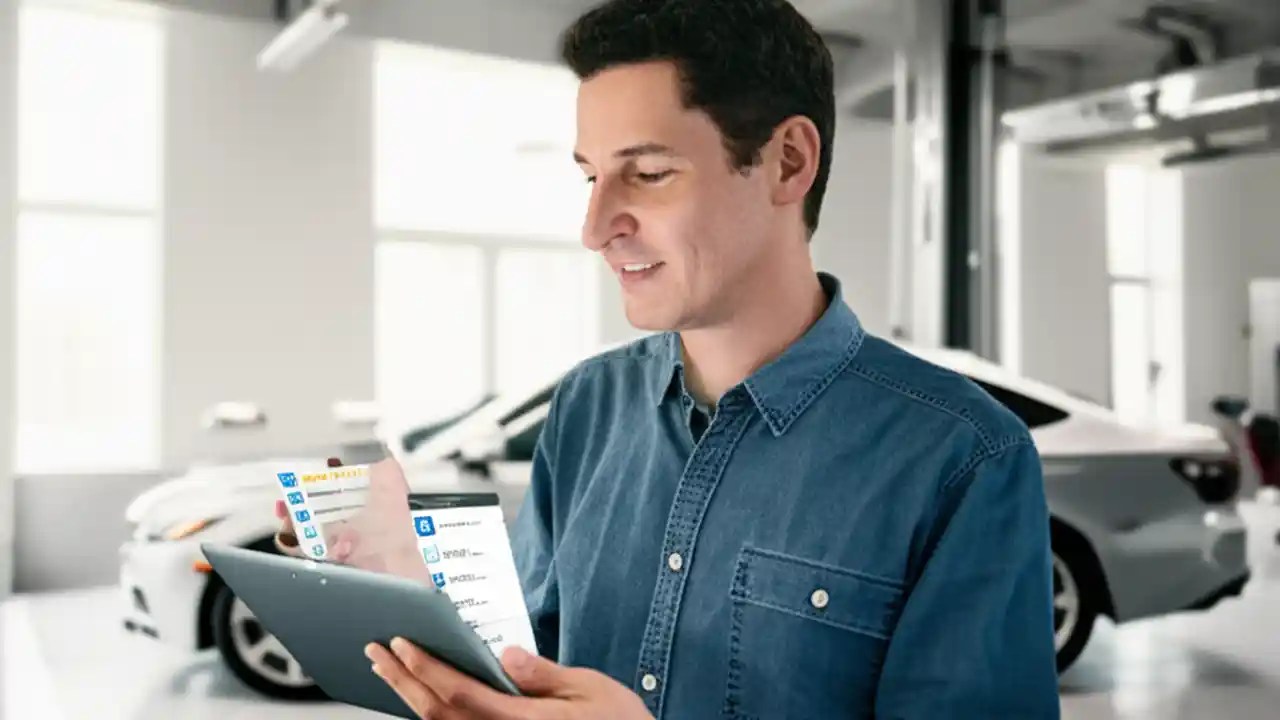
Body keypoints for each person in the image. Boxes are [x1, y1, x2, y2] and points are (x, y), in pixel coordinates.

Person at [281, 0, 1060, 717]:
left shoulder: (962, 459)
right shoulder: (587, 406)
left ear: (788, 161)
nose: (595, 226)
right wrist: (395, 596)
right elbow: (525, 665)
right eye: (590, 176)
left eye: (648, 174)